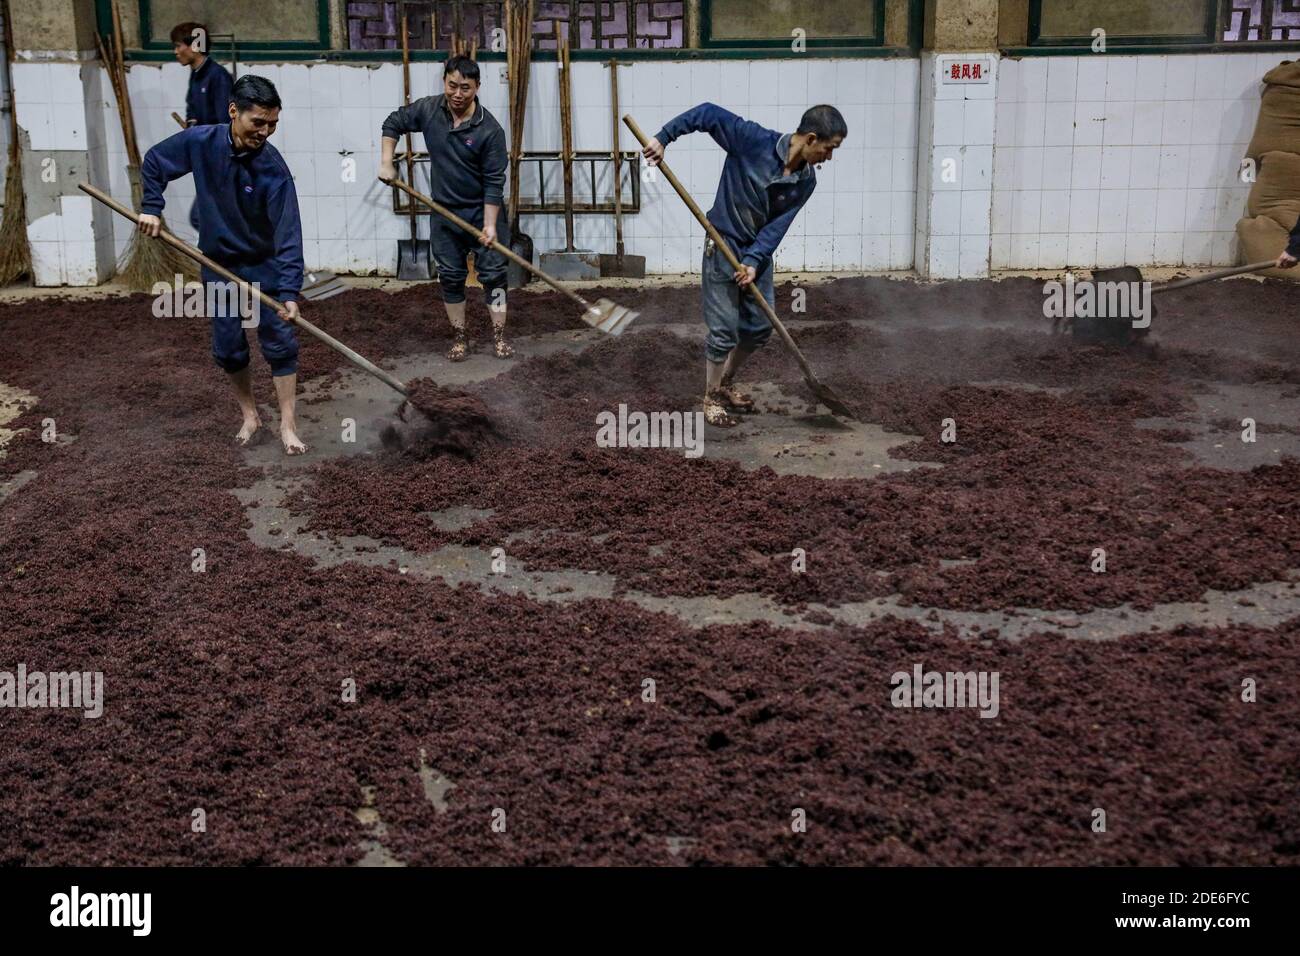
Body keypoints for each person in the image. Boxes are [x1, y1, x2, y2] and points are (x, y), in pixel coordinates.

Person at [643, 103, 847, 426]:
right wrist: (664, 138)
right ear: (810, 139)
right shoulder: (751, 139)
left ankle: (726, 383)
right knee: (724, 328)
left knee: (758, 329)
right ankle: (710, 398)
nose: (830, 157)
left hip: (757, 255)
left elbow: (777, 226)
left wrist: (753, 261)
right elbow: (708, 114)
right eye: (829, 148)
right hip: (723, 245)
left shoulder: (805, 182)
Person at [139, 75, 308, 455]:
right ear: (234, 111)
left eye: (273, 125)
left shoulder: (274, 171)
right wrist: (152, 208)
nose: (265, 132)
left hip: (263, 264)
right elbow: (154, 162)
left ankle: (288, 424)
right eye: (258, 123)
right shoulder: (201, 143)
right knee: (230, 346)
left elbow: (288, 236)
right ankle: (250, 416)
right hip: (217, 263)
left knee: (279, 342)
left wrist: (288, 292)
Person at [378, 55, 512, 361]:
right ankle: (460, 337)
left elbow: (494, 183)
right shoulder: (429, 109)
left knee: (494, 275)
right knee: (451, 276)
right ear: (444, 82)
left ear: (477, 87)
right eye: (452, 85)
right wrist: (387, 162)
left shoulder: (489, 130)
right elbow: (393, 123)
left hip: (482, 212)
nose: (457, 94)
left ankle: (500, 337)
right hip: (444, 213)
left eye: (465, 87)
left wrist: (490, 225)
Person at [170, 21, 234, 233]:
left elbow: (226, 124)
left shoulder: (218, 76)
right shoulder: (196, 75)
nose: (176, 51)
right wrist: (192, 126)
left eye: (179, 45)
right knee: (209, 219)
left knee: (201, 217)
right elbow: (193, 110)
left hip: (221, 159)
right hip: (208, 157)